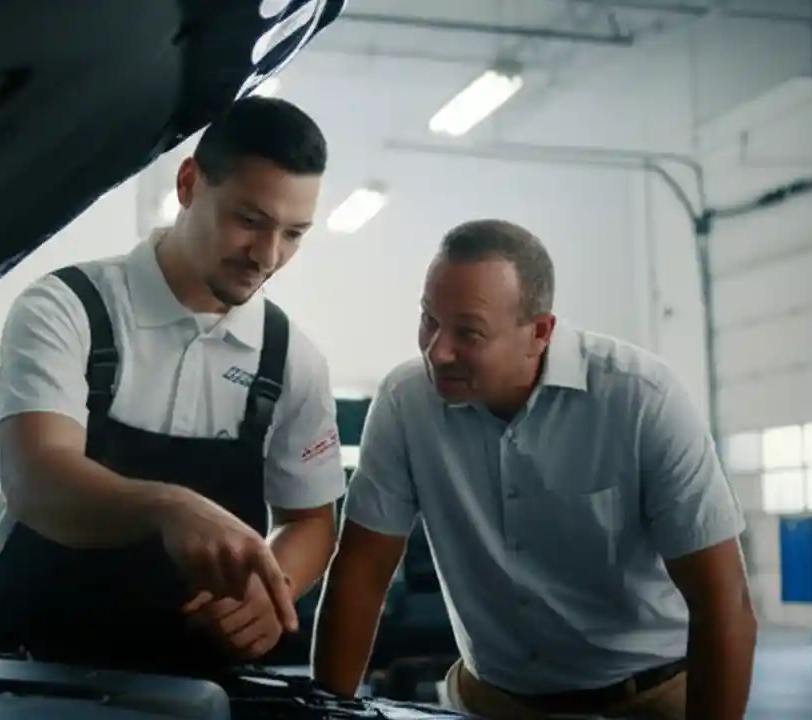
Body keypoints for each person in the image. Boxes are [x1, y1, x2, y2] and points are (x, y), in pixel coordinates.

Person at [312, 219, 757, 719]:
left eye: (468, 332)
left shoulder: (641, 400)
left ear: (539, 332)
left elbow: (724, 604)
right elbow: (360, 574)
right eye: (428, 320)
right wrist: (325, 712)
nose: (437, 350)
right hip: (487, 699)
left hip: (648, 701)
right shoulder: (405, 402)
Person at [0, 97, 346, 674]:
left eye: (294, 233)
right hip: (35, 672)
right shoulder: (67, 309)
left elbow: (310, 522)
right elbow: (35, 476)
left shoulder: (293, 358)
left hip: (203, 686)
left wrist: (272, 587)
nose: (268, 256)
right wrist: (168, 508)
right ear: (187, 183)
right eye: (249, 221)